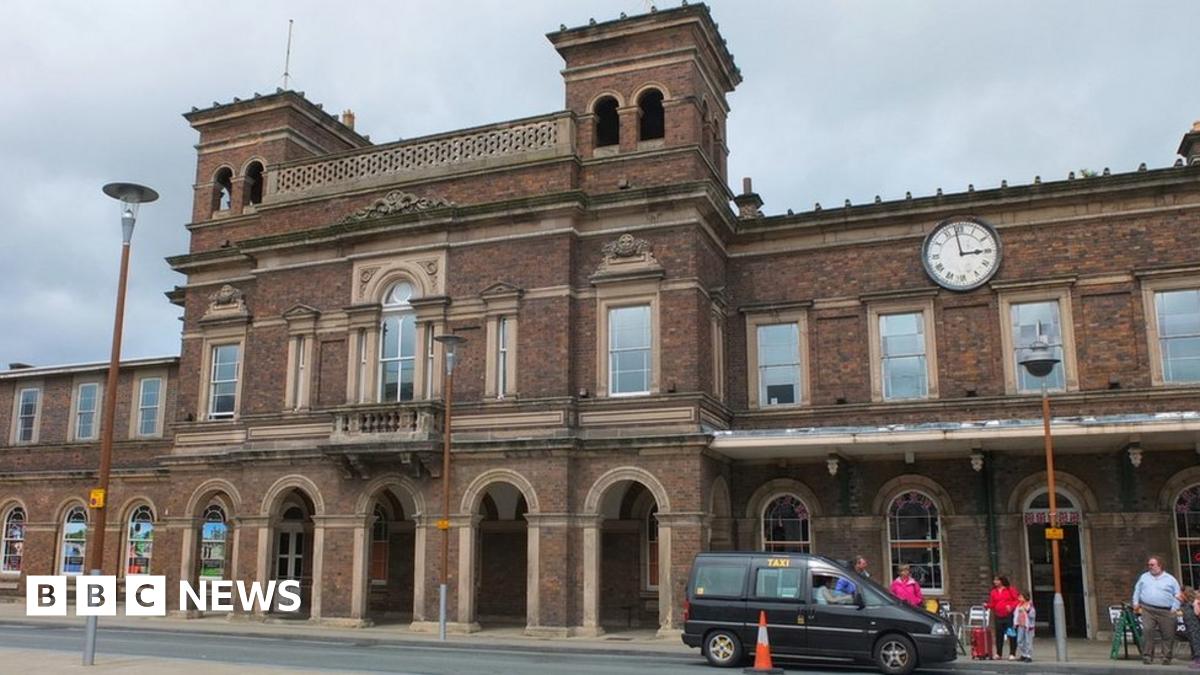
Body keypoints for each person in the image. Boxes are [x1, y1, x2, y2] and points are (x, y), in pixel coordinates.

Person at [1132, 555, 1181, 666]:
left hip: (1166, 610)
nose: (1150, 567)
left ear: (1160, 565)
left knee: (1168, 634)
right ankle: (1147, 656)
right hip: (1148, 609)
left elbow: (1178, 595)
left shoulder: (1170, 579)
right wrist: (1135, 603)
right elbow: (1137, 590)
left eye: (1152, 565)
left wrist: (1174, 608)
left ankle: (1166, 657)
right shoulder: (1144, 577)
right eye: (1149, 565)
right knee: (1147, 631)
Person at [985, 575, 1019, 660]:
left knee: (1011, 634)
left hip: (1008, 616)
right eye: (994, 580)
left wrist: (1011, 607)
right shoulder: (993, 592)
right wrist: (987, 605)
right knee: (999, 635)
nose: (995, 582)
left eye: (997, 580)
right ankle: (999, 653)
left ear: (1001, 581)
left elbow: (1017, 600)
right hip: (998, 615)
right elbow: (993, 604)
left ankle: (1012, 653)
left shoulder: (1010, 590)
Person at [1177, 586, 1200, 668]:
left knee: (1195, 638)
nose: (1178, 595)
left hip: (1194, 625)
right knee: (1193, 638)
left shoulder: (1191, 605)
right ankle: (1196, 658)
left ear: (1185, 594)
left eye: (1180, 593)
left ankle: (1198, 659)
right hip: (1191, 625)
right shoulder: (1187, 604)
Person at [1013, 590, 1036, 663]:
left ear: (1025, 597)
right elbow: (1015, 614)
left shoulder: (1030, 605)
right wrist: (1015, 623)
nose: (1019, 598)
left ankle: (1028, 655)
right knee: (1019, 640)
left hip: (1028, 626)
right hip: (1021, 625)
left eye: (1021, 597)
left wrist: (1027, 610)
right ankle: (1023, 654)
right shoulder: (1019, 605)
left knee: (1028, 641)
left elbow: (1032, 615)